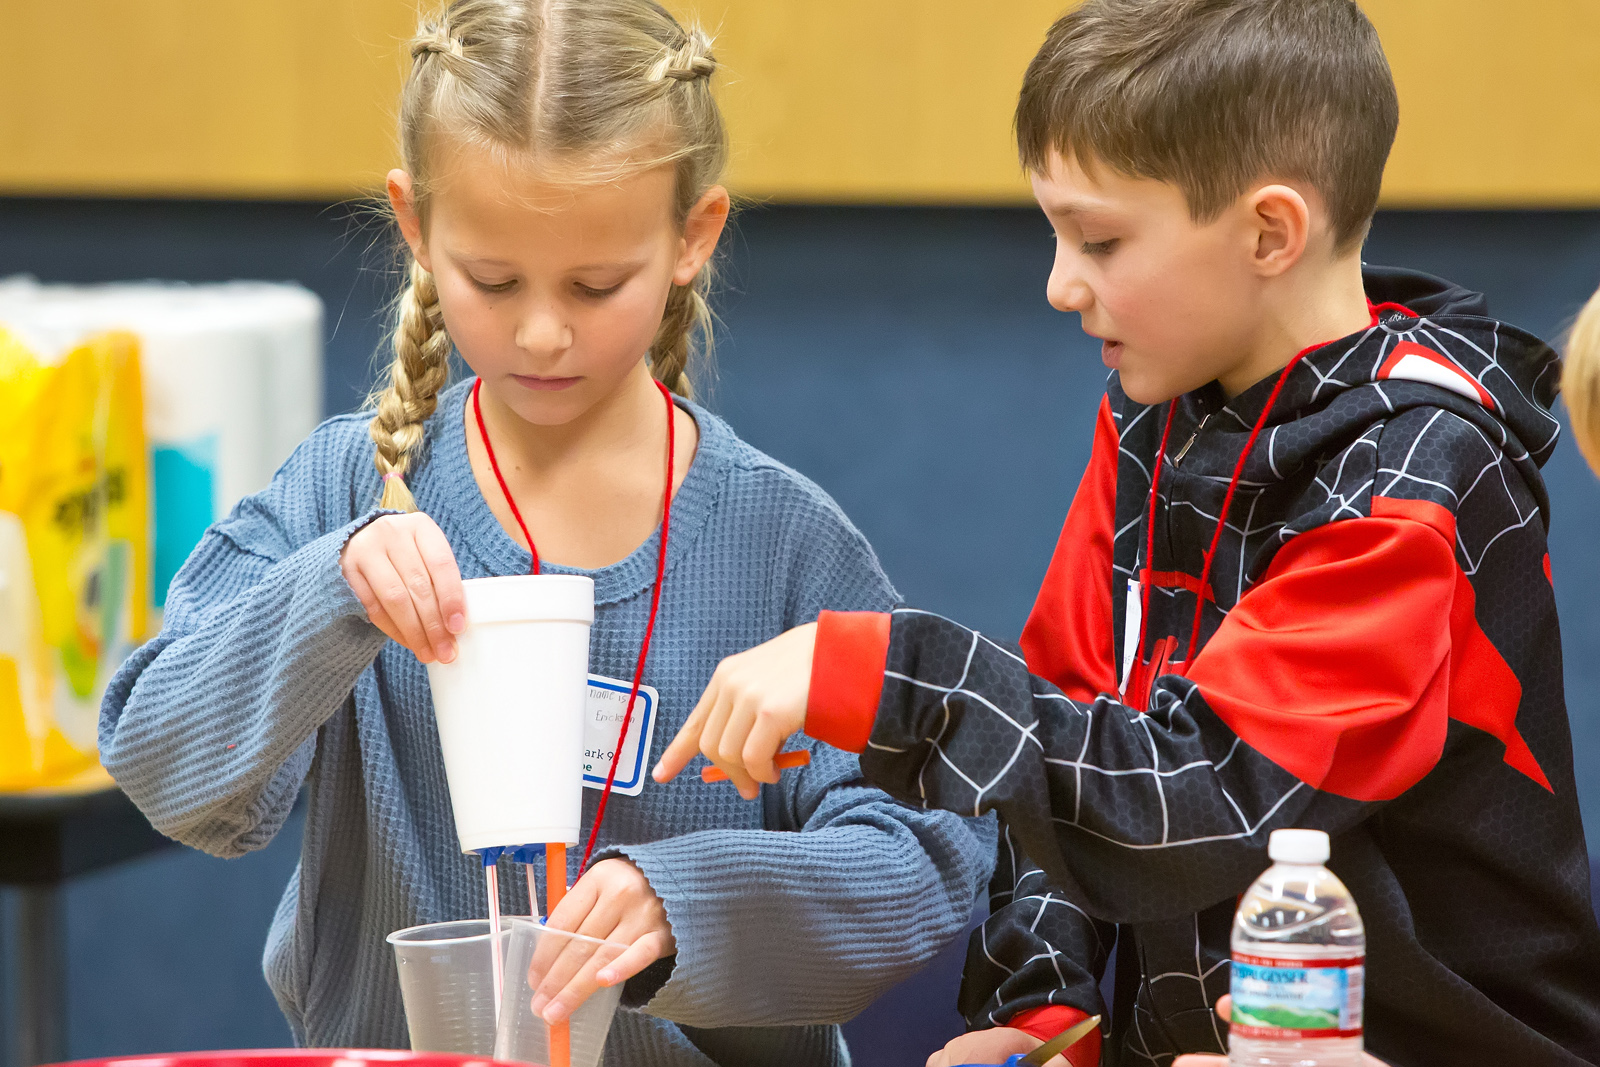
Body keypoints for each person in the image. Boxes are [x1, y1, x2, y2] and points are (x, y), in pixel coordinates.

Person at [653, 1, 1600, 1064]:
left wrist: (891, 673)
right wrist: (1044, 1006)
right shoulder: (1155, 413)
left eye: (1098, 239)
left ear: (1269, 233)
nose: (1061, 284)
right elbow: (1065, 733)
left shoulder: (1416, 483)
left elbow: (1199, 797)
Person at [97, 3, 993, 1063]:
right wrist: (328, 594)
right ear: (416, 226)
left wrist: (683, 901)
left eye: (594, 284)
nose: (539, 332)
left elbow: (926, 858)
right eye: (492, 279)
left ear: (692, 238)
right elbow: (164, 767)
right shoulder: (347, 490)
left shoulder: (784, 544)